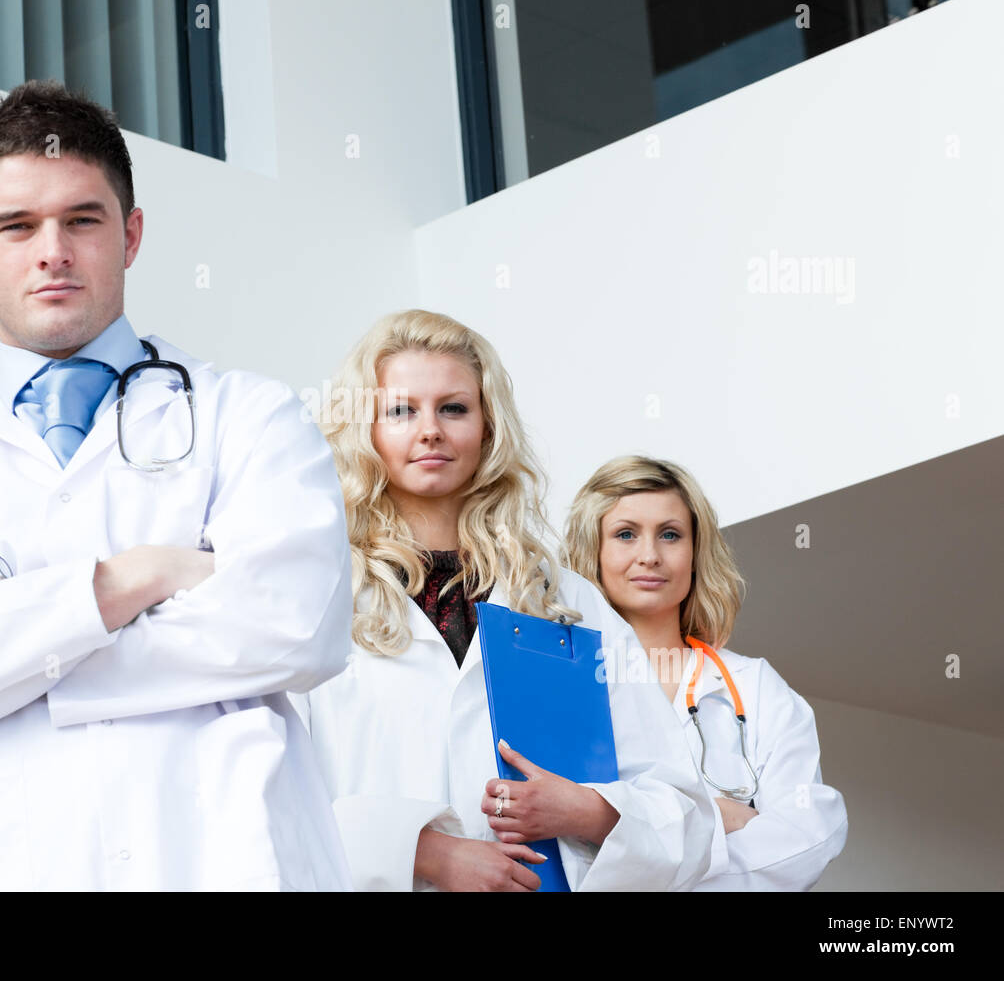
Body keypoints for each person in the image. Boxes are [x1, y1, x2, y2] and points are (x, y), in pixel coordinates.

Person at [0, 80, 353, 892]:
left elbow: (295, 624)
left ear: (131, 234)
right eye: (17, 226)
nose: (52, 252)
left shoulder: (251, 417)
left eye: (83, 220)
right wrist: (133, 578)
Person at [293, 310, 716, 891]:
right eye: (401, 410)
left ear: (488, 428)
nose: (430, 430)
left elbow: (682, 812)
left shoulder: (565, 598)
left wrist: (586, 811)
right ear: (365, 429)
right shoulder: (315, 589)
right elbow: (265, 795)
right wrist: (426, 853)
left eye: (454, 408)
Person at [563, 455, 848, 890]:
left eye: (670, 535)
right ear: (593, 553)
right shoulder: (556, 682)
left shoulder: (754, 687)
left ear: (695, 555)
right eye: (625, 534)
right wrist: (713, 820)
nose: (650, 556)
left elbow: (808, 832)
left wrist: (654, 846)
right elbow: (556, 838)